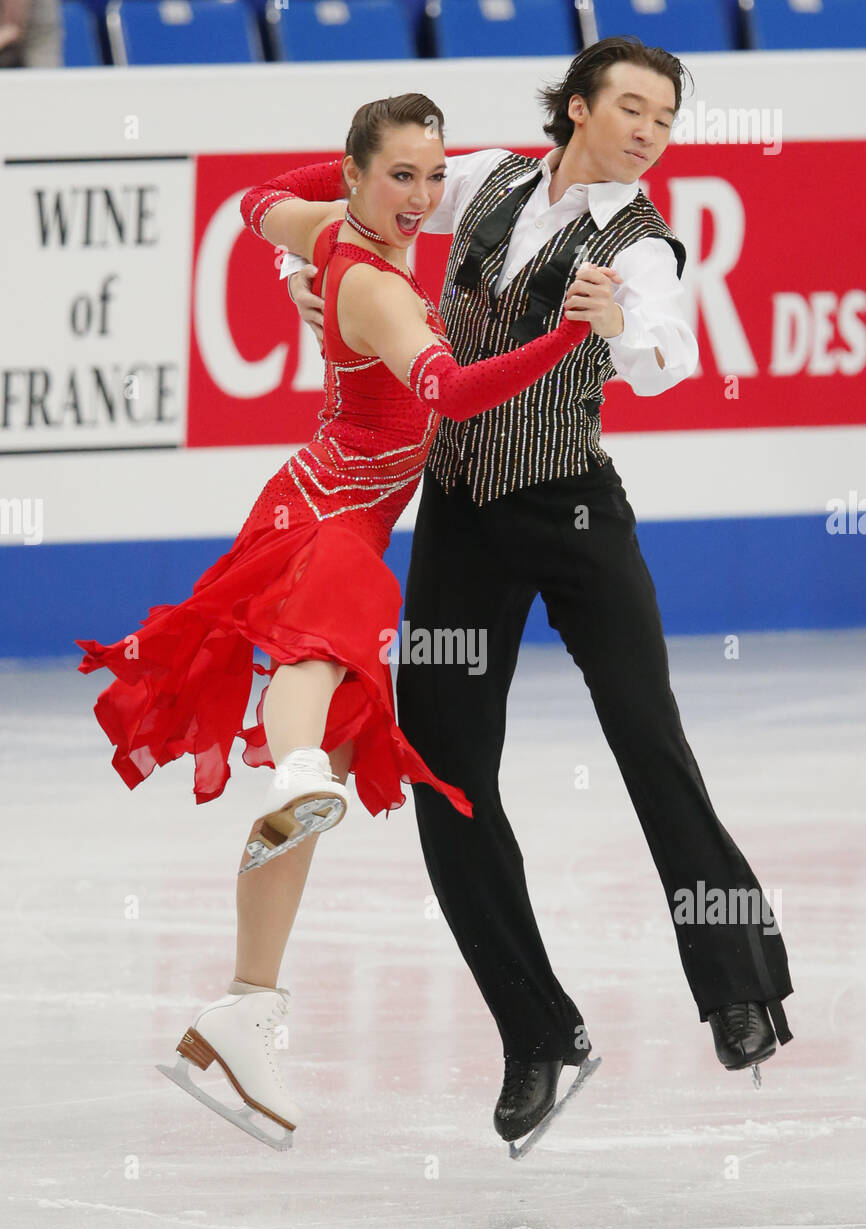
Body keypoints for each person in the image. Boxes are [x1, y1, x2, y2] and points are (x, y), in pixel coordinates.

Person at [281, 41, 795, 1147]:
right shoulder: (482, 178)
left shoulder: (643, 244)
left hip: (572, 518)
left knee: (647, 740)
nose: (651, 128)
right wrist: (307, 276)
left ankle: (740, 982)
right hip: (461, 513)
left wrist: (616, 329)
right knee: (443, 770)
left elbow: (663, 352)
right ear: (574, 107)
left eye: (665, 115)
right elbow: (355, 210)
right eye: (630, 106)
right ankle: (536, 1032)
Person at [75, 92, 598, 1150]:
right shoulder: (369, 287)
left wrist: (311, 232)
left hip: (317, 497)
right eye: (395, 175)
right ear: (356, 174)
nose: (418, 196)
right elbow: (450, 392)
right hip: (332, 517)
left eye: (429, 175)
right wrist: (570, 335)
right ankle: (298, 772)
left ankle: (246, 1005)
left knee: (329, 698)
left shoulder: (323, 233)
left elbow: (252, 199)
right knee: (330, 651)